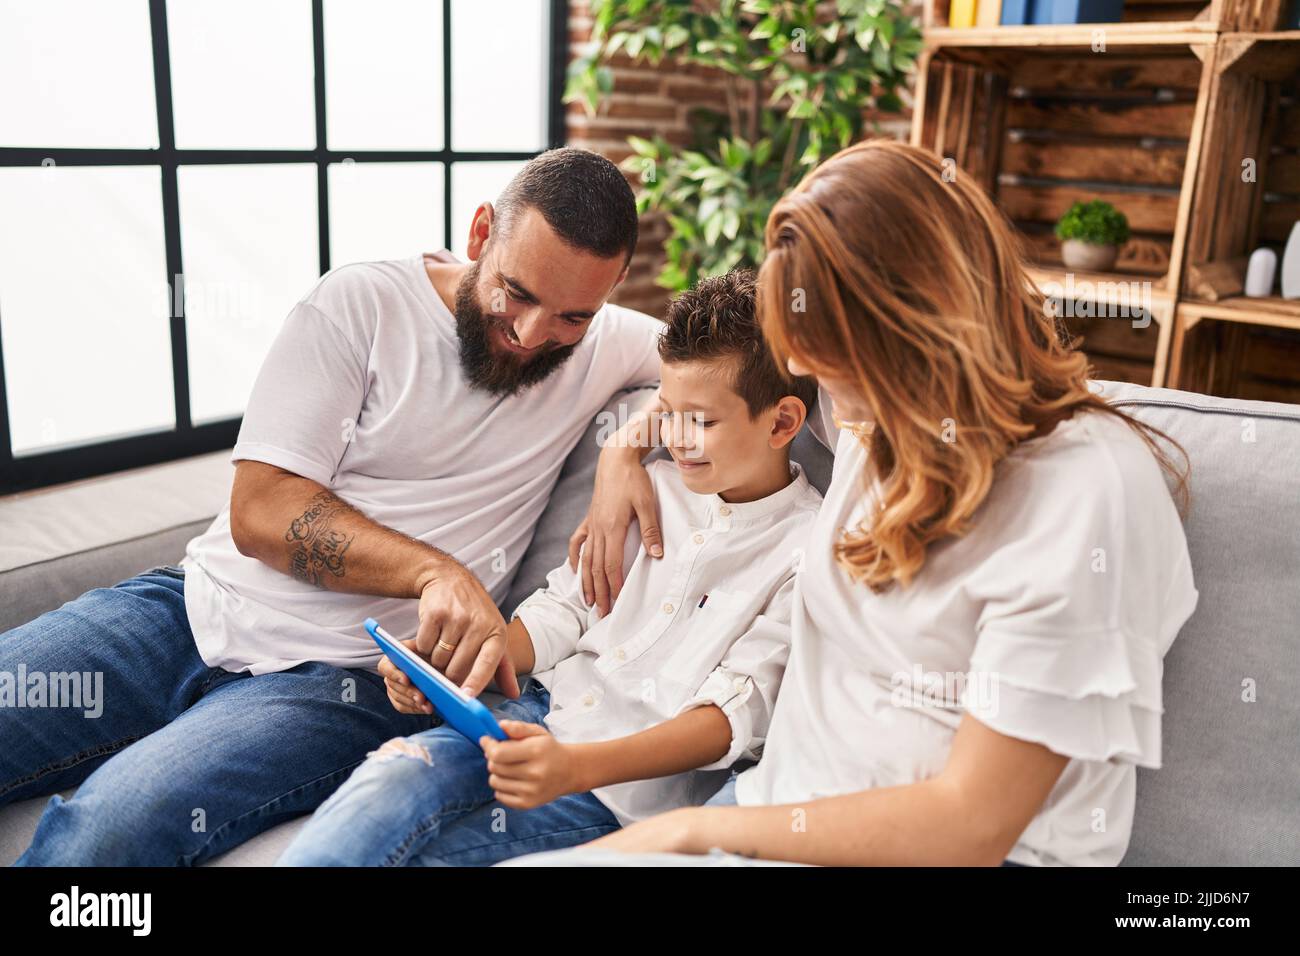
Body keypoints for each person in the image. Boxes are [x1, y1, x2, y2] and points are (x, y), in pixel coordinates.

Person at [517, 138, 1199, 867]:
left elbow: (971, 827)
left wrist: (689, 831)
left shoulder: (1083, 493)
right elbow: (711, 394)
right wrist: (623, 450)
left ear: (923, 326)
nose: (806, 370)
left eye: (823, 348)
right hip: (772, 810)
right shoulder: (878, 423)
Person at [3, 147, 668, 865]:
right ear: (480, 234)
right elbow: (260, 513)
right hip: (190, 607)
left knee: (108, 832)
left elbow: (745, 365)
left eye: (573, 315)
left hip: (342, 685)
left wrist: (628, 443)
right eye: (517, 293)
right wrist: (433, 574)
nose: (535, 334)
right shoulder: (361, 305)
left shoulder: (608, 343)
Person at [276, 270, 823, 866]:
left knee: (432, 857)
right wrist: (459, 666)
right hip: (534, 714)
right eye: (668, 413)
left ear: (782, 423)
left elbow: (729, 719)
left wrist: (572, 768)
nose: (677, 437)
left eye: (703, 422)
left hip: (614, 791)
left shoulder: (806, 551)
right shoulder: (650, 489)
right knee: (391, 776)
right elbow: (566, 609)